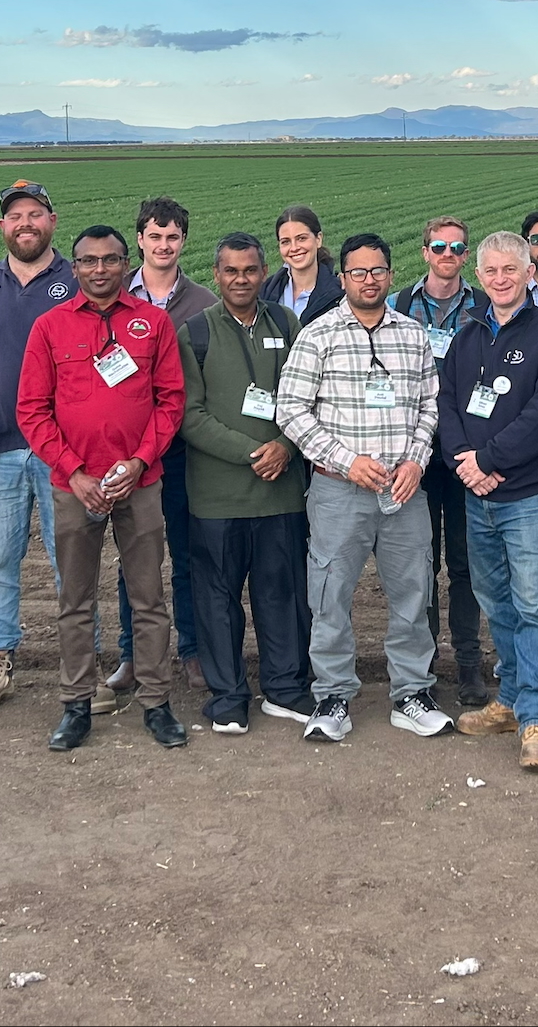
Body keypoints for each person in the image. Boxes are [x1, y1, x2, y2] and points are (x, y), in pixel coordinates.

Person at [0, 182, 130, 717]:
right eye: (14, 217)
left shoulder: (75, 283)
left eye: (34, 214)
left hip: (66, 457)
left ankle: (84, 665)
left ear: (53, 221)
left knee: (72, 564)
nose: (24, 223)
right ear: (2, 227)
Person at [274, 233, 454, 742]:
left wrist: (417, 462)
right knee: (330, 594)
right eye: (358, 272)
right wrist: (347, 462)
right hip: (338, 490)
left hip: (403, 491)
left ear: (391, 275)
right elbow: (291, 409)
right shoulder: (318, 335)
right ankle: (332, 697)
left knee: (413, 593)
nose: (369, 280)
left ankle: (411, 693)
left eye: (377, 271)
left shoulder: (412, 334)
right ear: (343, 278)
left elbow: (428, 407)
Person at [17, 224, 190, 753]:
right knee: (76, 599)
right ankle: (76, 704)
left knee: (148, 597)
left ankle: (157, 702)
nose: (100, 270)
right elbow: (32, 409)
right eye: (89, 261)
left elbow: (170, 401)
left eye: (110, 260)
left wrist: (139, 462)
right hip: (75, 486)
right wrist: (74, 472)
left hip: (140, 482)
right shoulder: (50, 327)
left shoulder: (153, 324)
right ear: (75, 268)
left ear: (125, 265)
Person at [441, 232, 538, 771]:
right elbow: (448, 400)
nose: (500, 279)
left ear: (528, 274)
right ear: (480, 277)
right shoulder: (468, 333)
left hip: (527, 495)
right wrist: (463, 460)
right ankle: (512, 699)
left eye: (510, 269)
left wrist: (489, 461)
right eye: (491, 270)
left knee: (533, 606)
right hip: (477, 493)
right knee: (495, 600)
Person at [177, 232, 314, 733]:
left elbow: (308, 395)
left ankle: (284, 688)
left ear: (264, 273)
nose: (241, 279)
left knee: (283, 596)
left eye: (250, 270)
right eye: (231, 271)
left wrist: (286, 444)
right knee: (217, 598)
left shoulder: (287, 322)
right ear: (216, 275)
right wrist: (252, 452)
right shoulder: (194, 332)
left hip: (281, 491)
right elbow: (189, 416)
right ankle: (228, 695)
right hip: (217, 497)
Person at [393, 216, 487, 706]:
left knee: (466, 563)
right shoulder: (398, 306)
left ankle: (469, 666)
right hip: (415, 451)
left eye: (456, 247)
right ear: (424, 251)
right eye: (439, 246)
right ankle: (423, 664)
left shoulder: (485, 307)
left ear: (465, 255)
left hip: (468, 449)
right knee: (419, 562)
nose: (447, 253)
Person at [132, 195, 216, 692]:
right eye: (155, 236)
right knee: (135, 557)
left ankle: (192, 649)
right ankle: (133, 653)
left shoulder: (203, 302)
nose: (164, 245)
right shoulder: (113, 294)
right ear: (140, 238)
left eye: (173, 237)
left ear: (184, 241)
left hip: (184, 449)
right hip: (127, 452)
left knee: (187, 553)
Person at [265, 204, 344, 323]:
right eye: (285, 242)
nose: (294, 248)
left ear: (318, 239)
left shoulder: (340, 292)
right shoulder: (266, 291)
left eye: (301, 238)